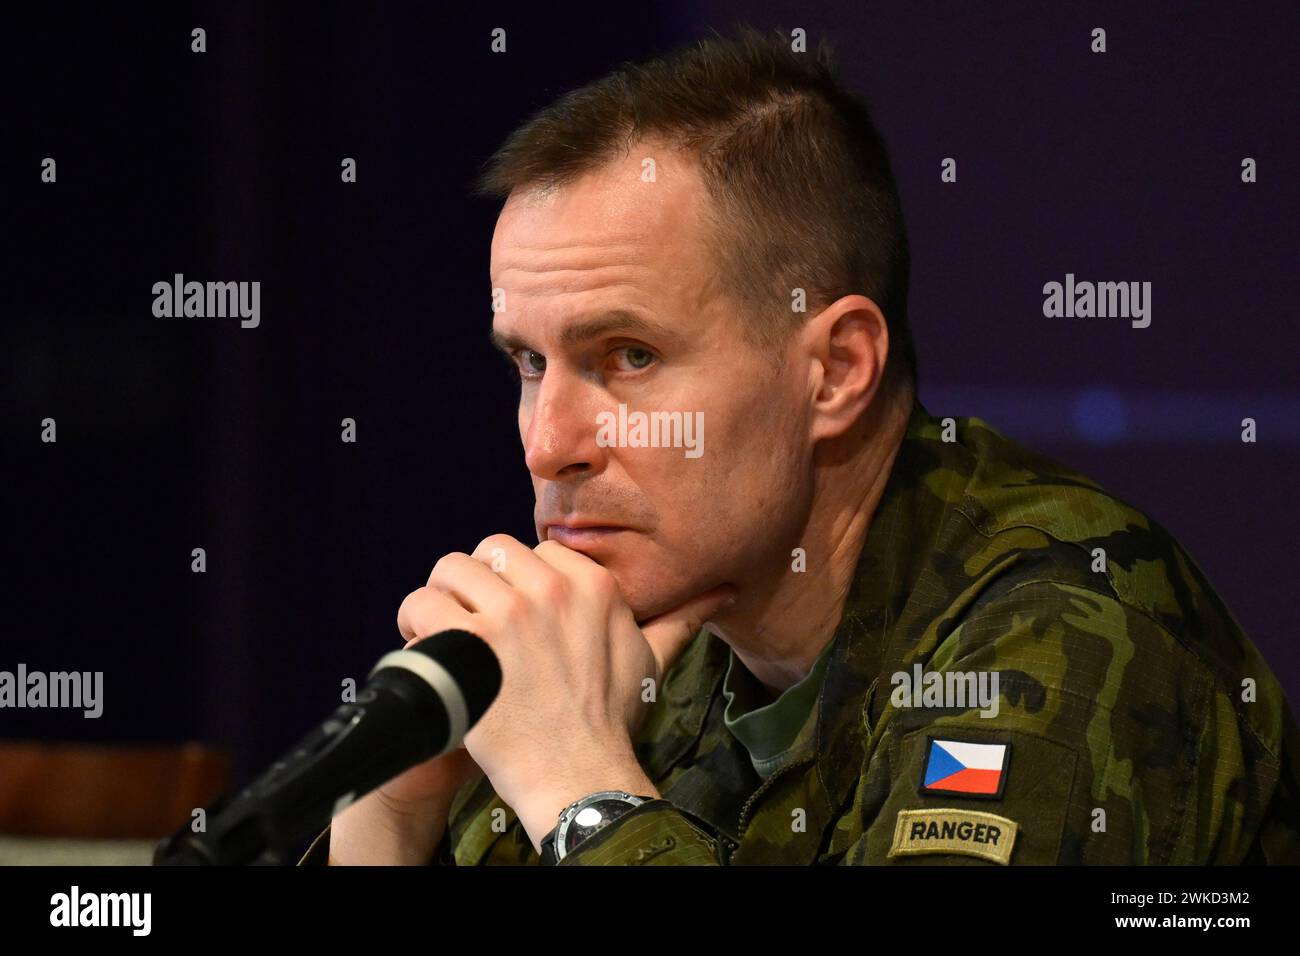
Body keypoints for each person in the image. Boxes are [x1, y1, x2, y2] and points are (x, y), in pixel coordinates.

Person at [301, 27, 1299, 866]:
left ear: (834, 370)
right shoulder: (657, 650)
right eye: (528, 362)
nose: (547, 443)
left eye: (630, 355)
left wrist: (579, 787)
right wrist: (388, 814)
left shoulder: (1066, 629)